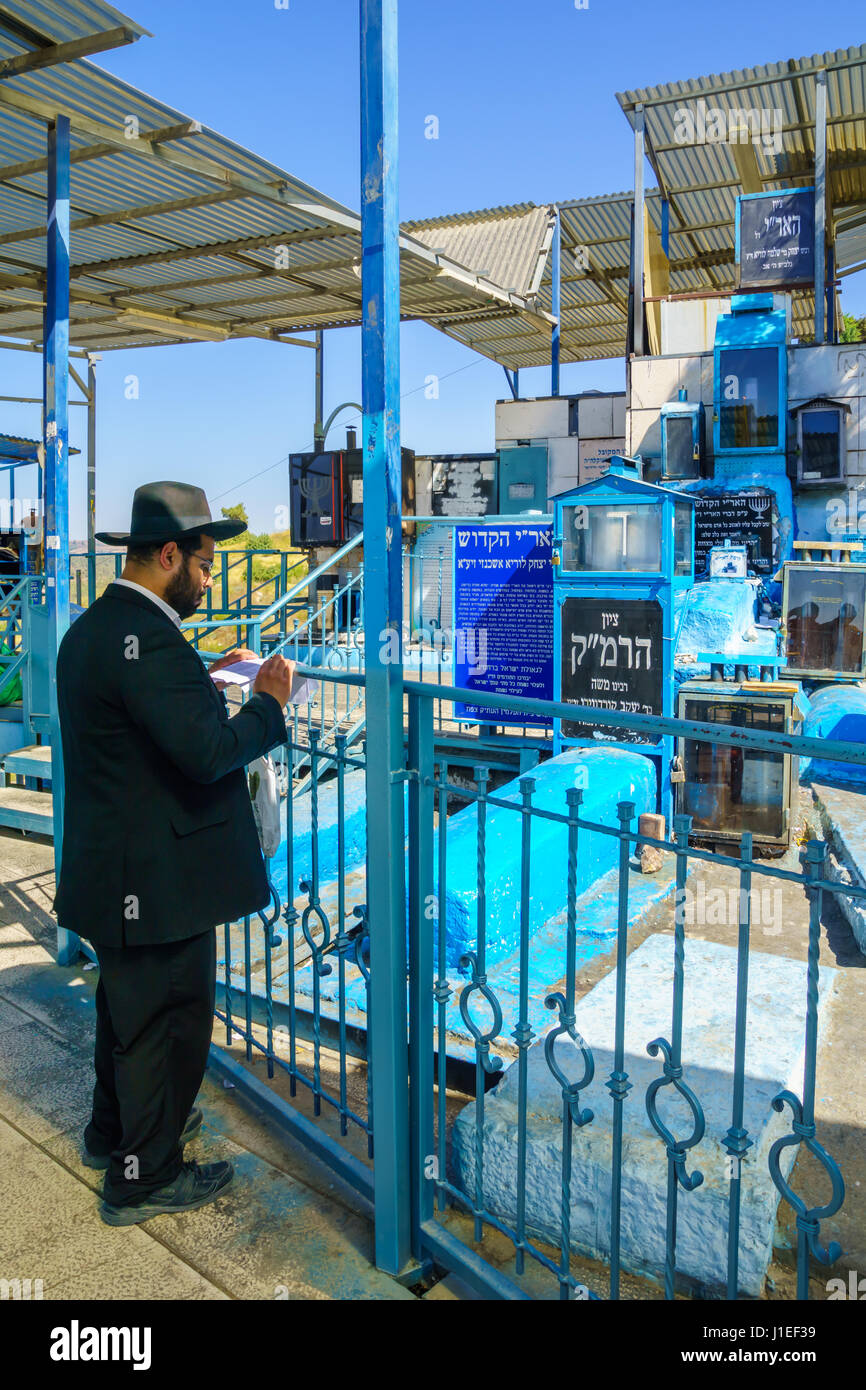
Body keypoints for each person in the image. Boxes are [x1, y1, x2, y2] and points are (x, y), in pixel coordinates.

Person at [53, 481, 294, 1226]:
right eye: (205, 565)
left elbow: (152, 723)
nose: (209, 579)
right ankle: (143, 1177)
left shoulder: (97, 628)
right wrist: (268, 702)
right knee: (168, 1026)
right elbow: (206, 751)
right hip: (157, 885)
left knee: (126, 1016)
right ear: (168, 556)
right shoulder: (149, 641)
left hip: (113, 871)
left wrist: (206, 673)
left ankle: (113, 1138)